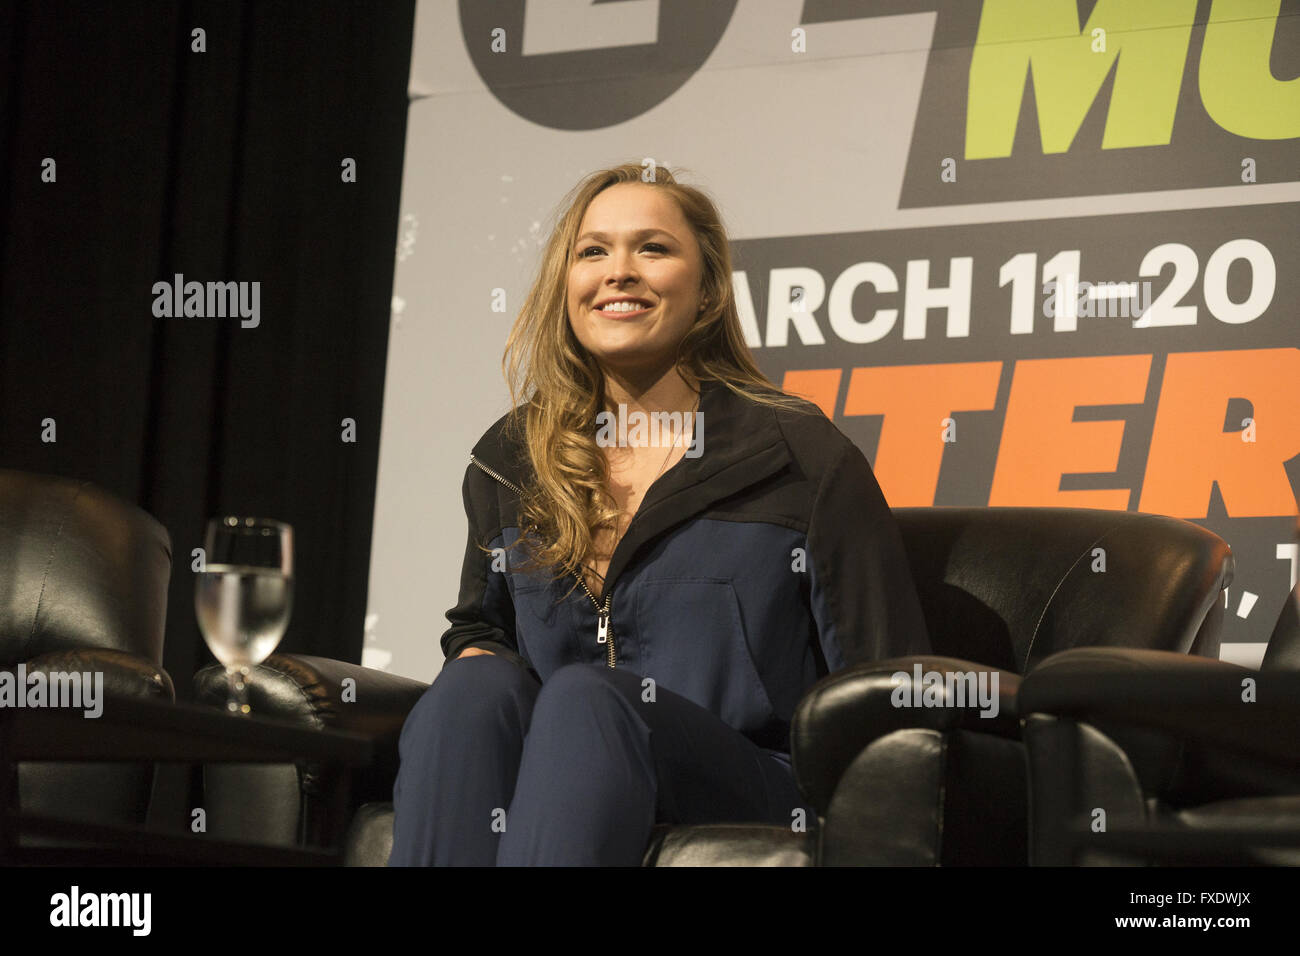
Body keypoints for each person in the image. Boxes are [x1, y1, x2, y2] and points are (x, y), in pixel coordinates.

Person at [387, 162, 931, 866]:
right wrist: (480, 670)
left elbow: (881, 677)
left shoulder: (797, 457)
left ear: (706, 292)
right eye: (593, 251)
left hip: (754, 781)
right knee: (472, 686)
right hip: (566, 780)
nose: (619, 271)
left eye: (653, 248)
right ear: (567, 286)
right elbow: (482, 628)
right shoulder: (511, 460)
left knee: (588, 699)